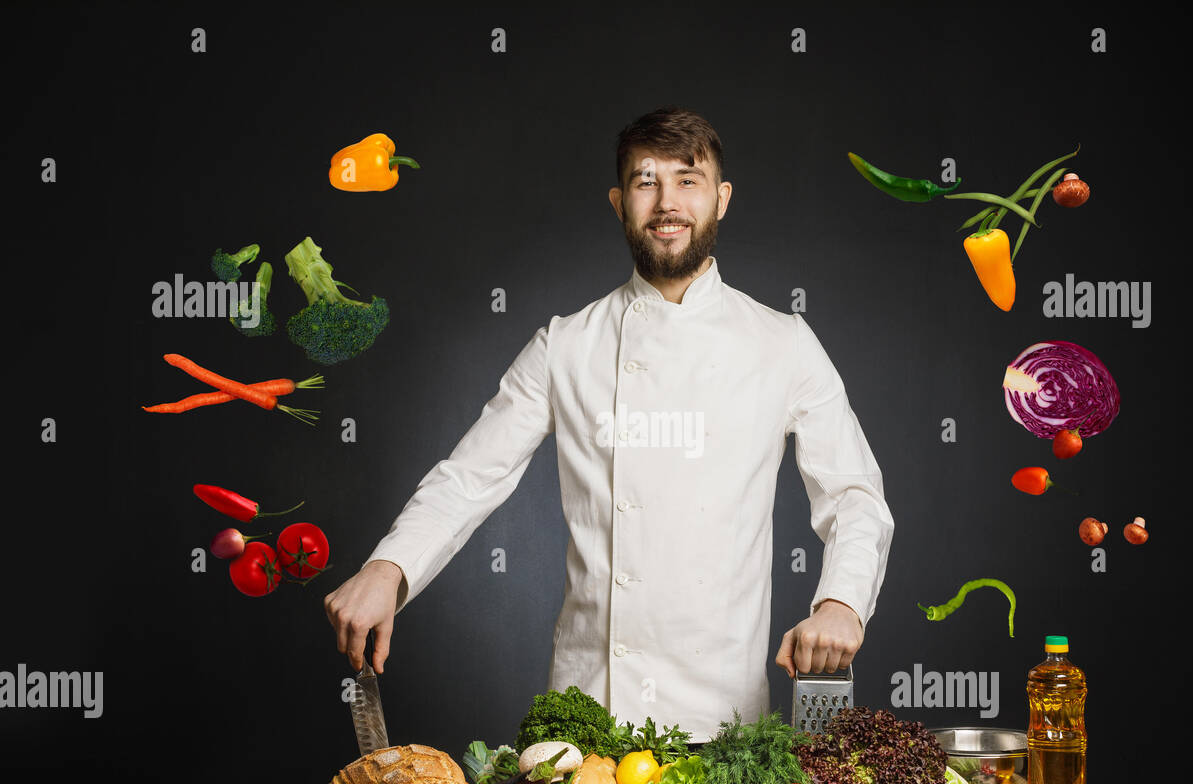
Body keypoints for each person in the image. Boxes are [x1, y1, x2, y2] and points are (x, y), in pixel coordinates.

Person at [325, 106, 894, 741]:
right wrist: (388, 568)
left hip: (727, 730)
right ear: (619, 202)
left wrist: (842, 603)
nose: (667, 202)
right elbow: (469, 477)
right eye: (646, 182)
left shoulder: (783, 342)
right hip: (586, 723)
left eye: (688, 179)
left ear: (721, 199)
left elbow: (853, 495)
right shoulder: (565, 344)